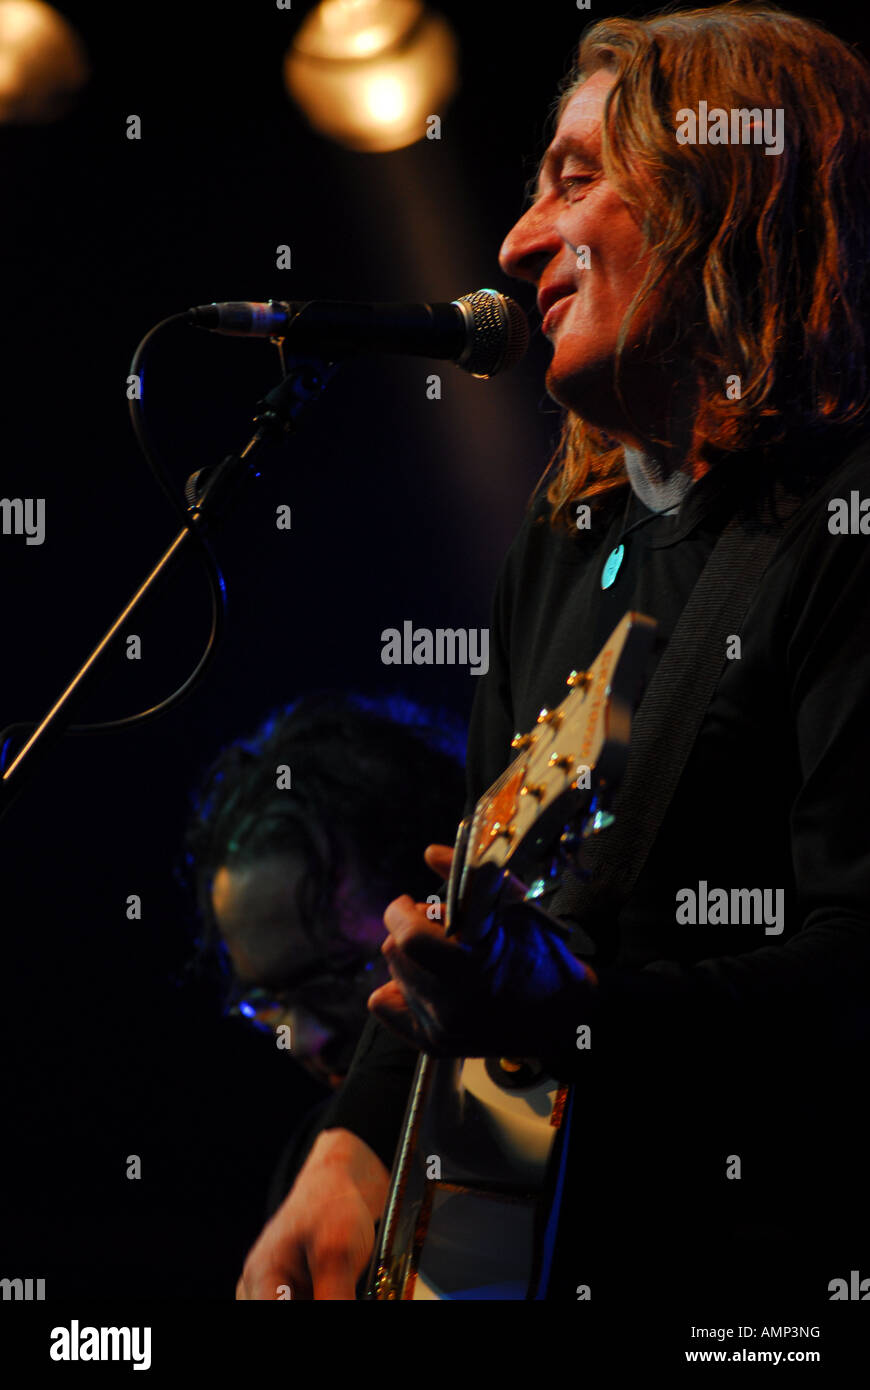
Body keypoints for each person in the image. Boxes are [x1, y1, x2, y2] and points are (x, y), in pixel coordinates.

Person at [236, 3, 870, 1307]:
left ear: (725, 190)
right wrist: (351, 1141)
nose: (518, 245)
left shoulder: (843, 528)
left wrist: (568, 1014)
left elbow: (856, 987)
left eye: (575, 180)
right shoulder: (563, 538)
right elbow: (473, 893)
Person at [184, 691, 466, 1209]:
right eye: (265, 999)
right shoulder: (306, 1170)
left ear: (438, 899)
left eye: (334, 977)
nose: (300, 1039)